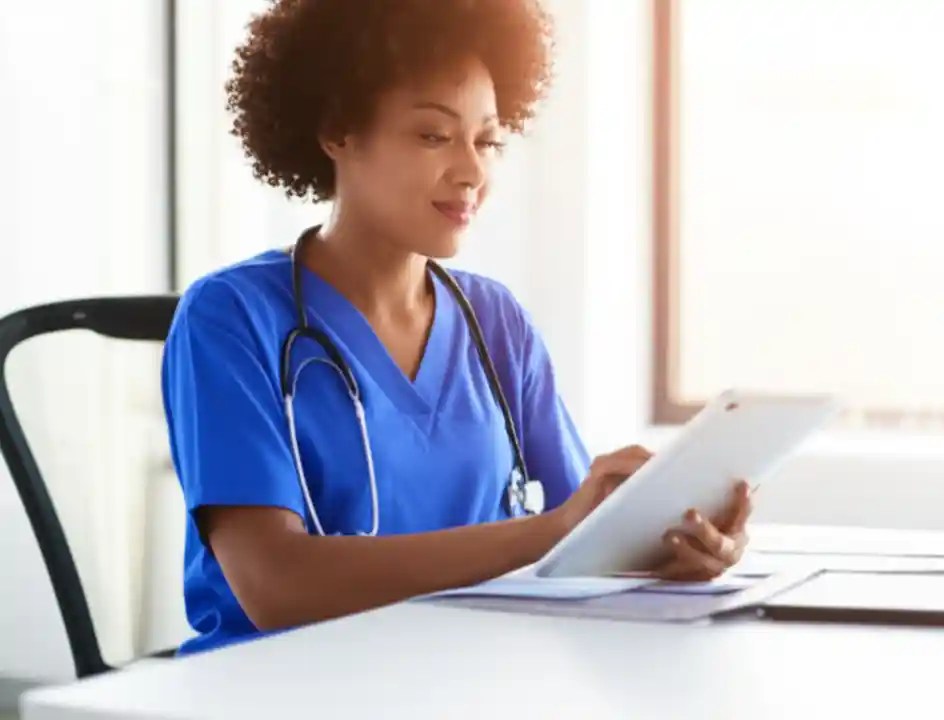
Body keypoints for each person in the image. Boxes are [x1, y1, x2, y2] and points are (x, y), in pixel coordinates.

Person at [162, 0, 753, 655]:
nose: (472, 171)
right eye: (433, 136)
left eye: (489, 140)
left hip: (465, 675)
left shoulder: (495, 322)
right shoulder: (229, 317)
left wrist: (673, 545)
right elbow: (275, 586)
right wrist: (550, 532)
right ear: (337, 130)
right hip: (276, 690)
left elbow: (587, 544)